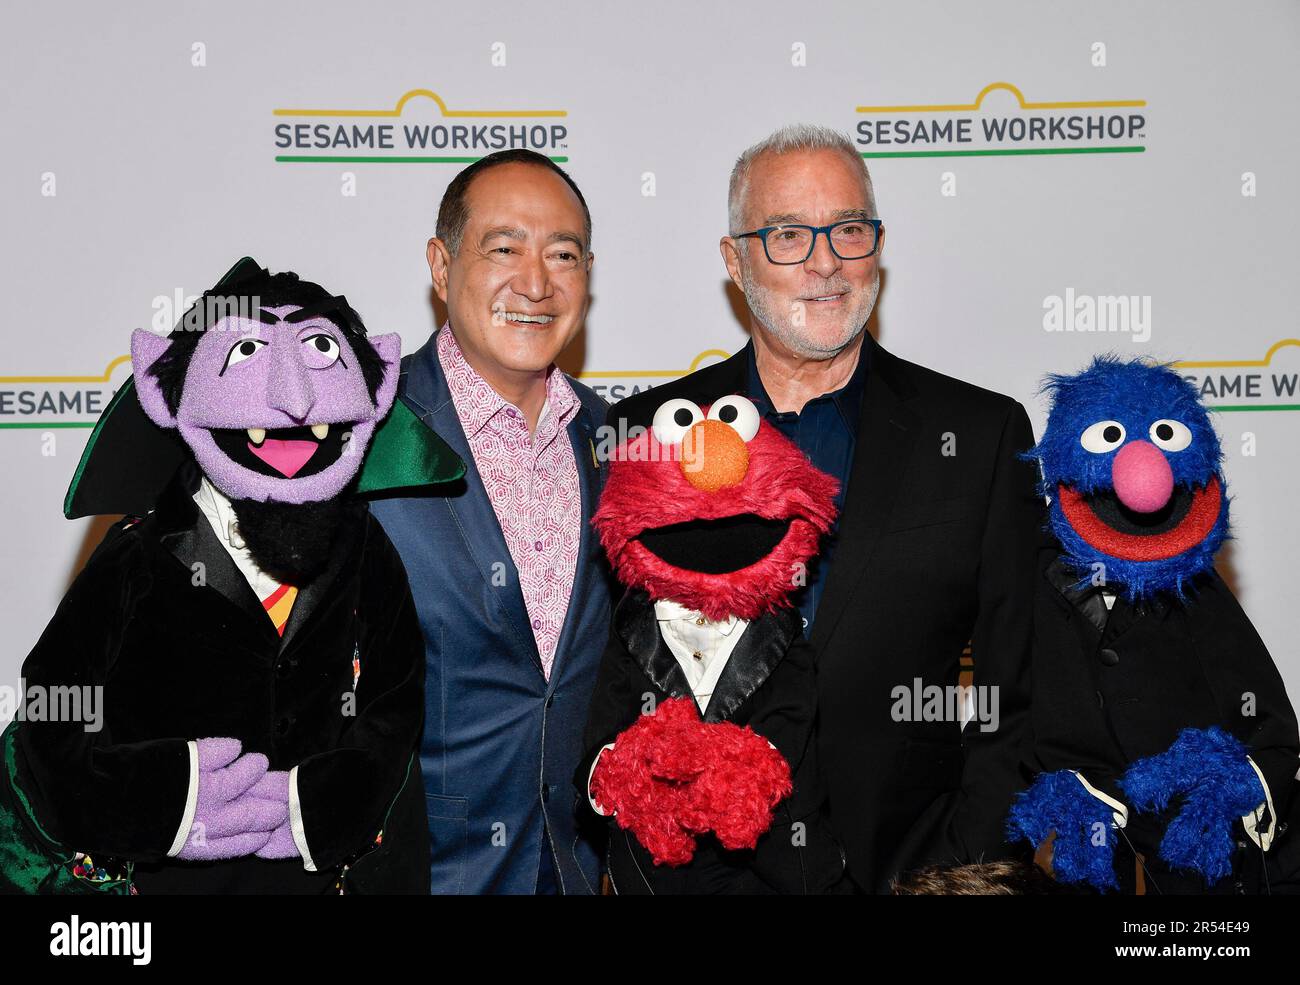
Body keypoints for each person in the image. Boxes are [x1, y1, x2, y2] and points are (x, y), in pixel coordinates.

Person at [607, 124, 1043, 893]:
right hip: (701, 873)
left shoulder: (978, 434)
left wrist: (965, 861)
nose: (825, 261)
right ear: (734, 261)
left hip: (913, 870)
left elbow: (1023, 683)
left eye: (848, 230)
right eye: (786, 234)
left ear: (878, 244)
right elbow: (610, 670)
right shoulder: (649, 436)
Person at [7, 258, 443, 894]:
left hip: (316, 878)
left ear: (374, 393)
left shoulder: (363, 544)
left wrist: (321, 803)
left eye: (321, 349)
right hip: (168, 881)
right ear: (168, 395)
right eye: (245, 351)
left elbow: (394, 699)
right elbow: (51, 705)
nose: (293, 400)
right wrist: (167, 799)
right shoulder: (141, 552)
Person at [369, 150, 614, 894]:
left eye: (562, 255)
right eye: (504, 248)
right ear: (441, 267)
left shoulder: (621, 443)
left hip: (579, 866)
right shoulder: (363, 436)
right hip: (416, 869)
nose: (535, 283)